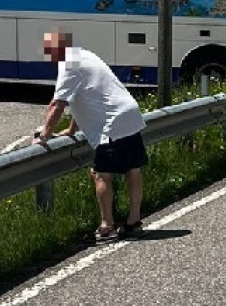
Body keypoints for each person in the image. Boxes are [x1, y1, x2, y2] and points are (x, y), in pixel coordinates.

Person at [33, 30, 148, 242]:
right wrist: (72, 130)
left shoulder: (68, 65)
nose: (48, 58)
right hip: (130, 115)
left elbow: (58, 104)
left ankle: (107, 226)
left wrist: (44, 135)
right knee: (133, 170)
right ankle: (134, 221)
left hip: (112, 124)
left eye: (49, 52)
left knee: (100, 173)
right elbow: (86, 97)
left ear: (56, 51)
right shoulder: (86, 56)